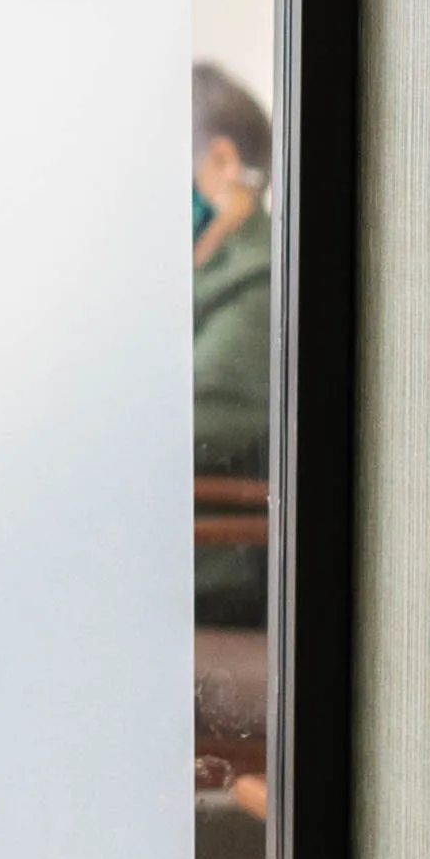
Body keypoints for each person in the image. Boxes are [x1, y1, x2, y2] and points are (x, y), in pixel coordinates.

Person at [192, 62, 276, 629]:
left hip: (207, 561)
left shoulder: (262, 279)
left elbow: (194, 423)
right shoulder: (190, 271)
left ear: (221, 163)